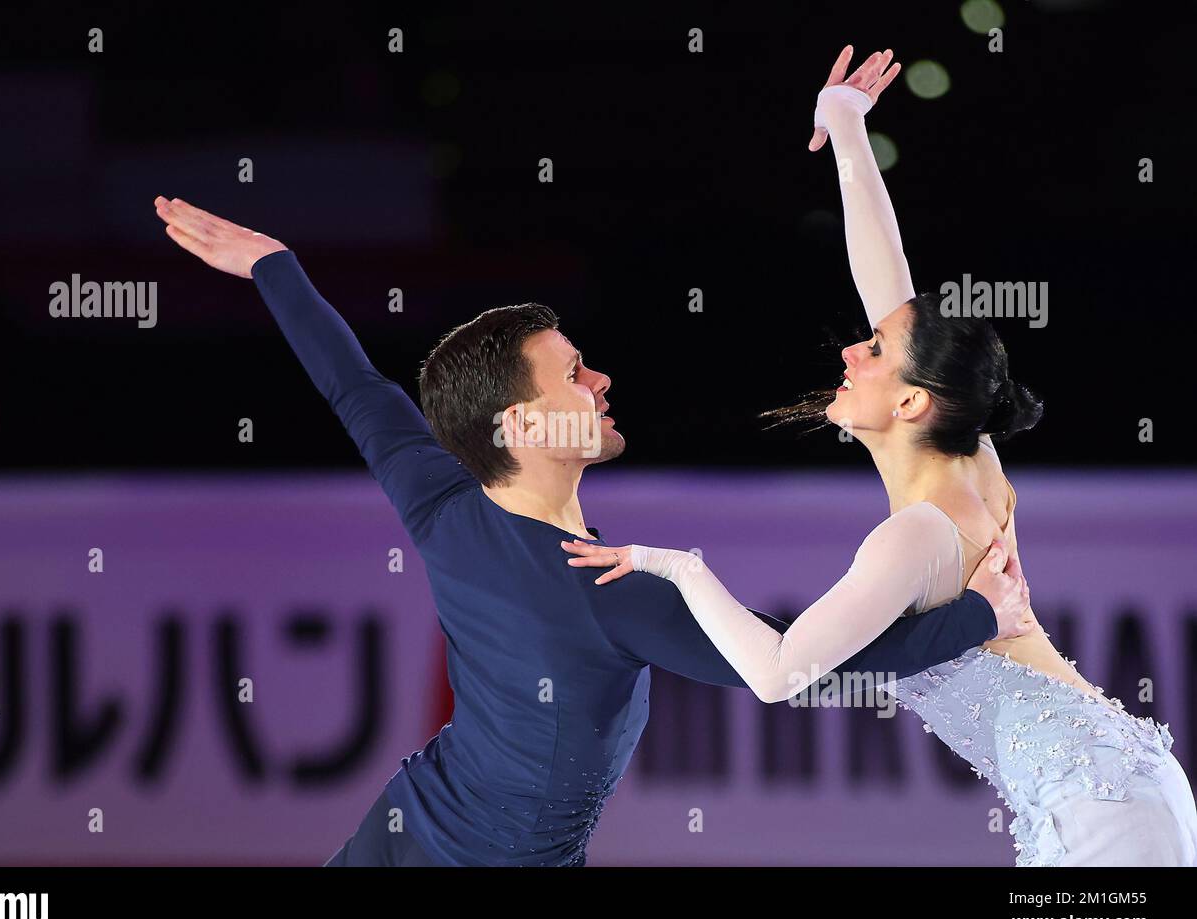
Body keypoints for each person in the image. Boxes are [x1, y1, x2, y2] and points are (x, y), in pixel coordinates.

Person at [152, 192, 1029, 866]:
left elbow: (359, 389)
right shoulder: (610, 591)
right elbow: (808, 665)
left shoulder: (440, 504)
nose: (602, 378)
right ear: (525, 427)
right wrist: (977, 615)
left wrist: (275, 266)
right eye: (574, 373)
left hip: (400, 832)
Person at [563, 47, 1197, 866]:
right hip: (1121, 784)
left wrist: (679, 566)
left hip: (1103, 804)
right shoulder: (973, 456)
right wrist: (847, 127)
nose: (851, 350)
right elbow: (887, 278)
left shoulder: (921, 533)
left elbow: (779, 674)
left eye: (872, 350)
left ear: (909, 403)